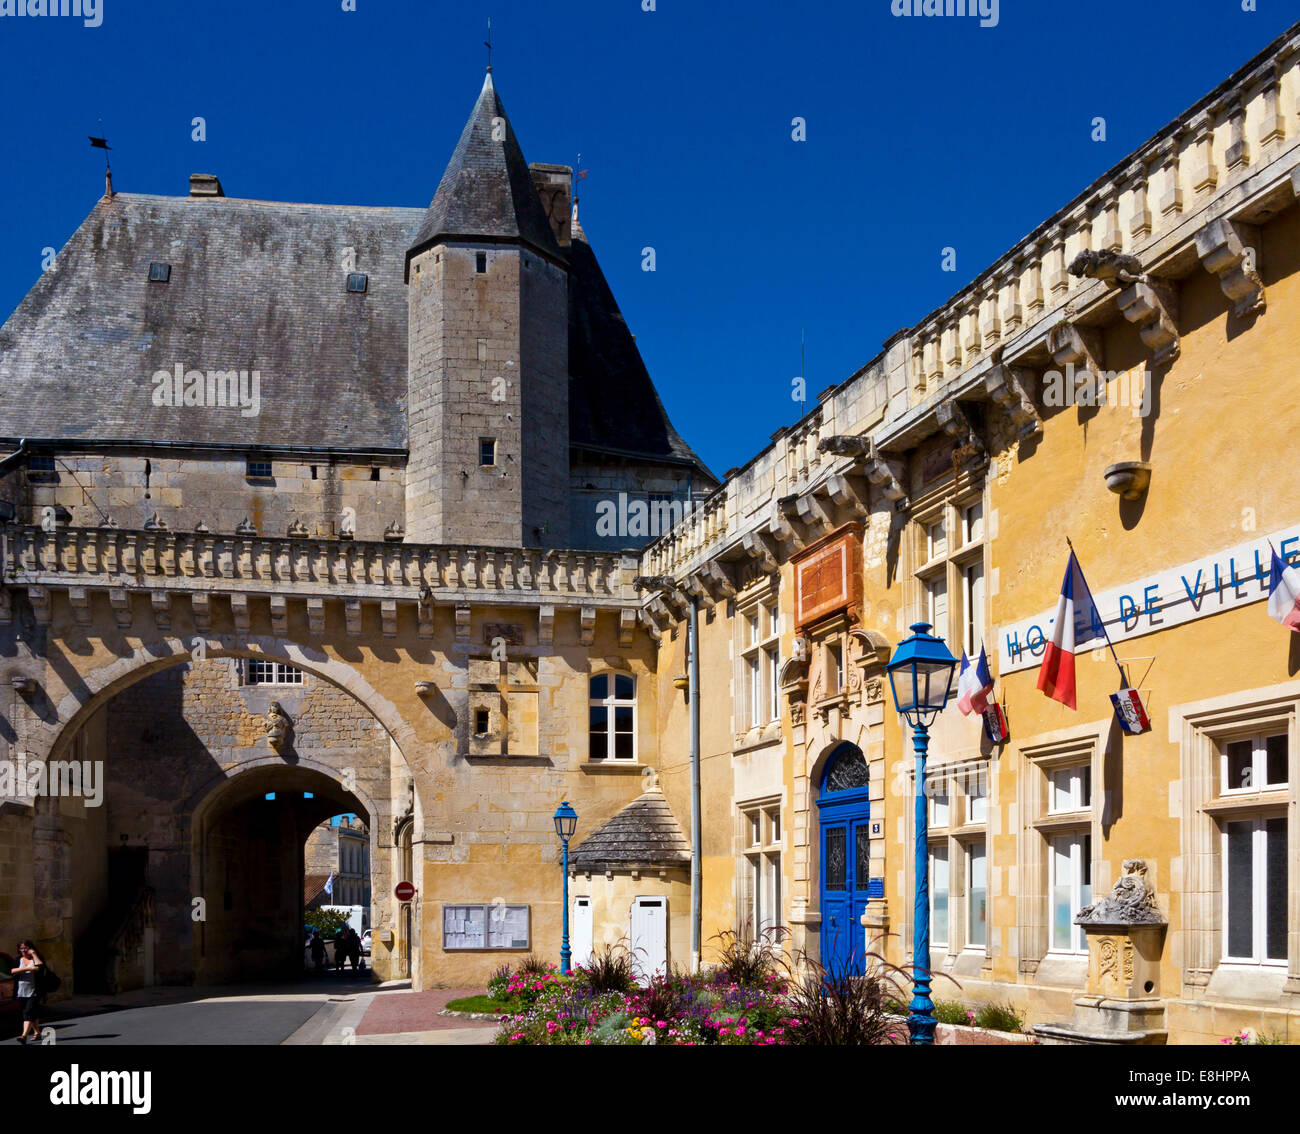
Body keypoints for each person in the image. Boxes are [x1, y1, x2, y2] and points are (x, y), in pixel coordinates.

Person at [12, 941, 45, 1045]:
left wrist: (34, 954)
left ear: (31, 948)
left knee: (28, 1012)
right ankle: (37, 1033)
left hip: (34, 991)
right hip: (21, 991)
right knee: (32, 1013)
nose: (24, 950)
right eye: (21, 948)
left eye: (26, 948)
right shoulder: (18, 960)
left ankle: (23, 1036)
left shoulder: (36, 958)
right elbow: (12, 971)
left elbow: (40, 967)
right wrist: (29, 968)